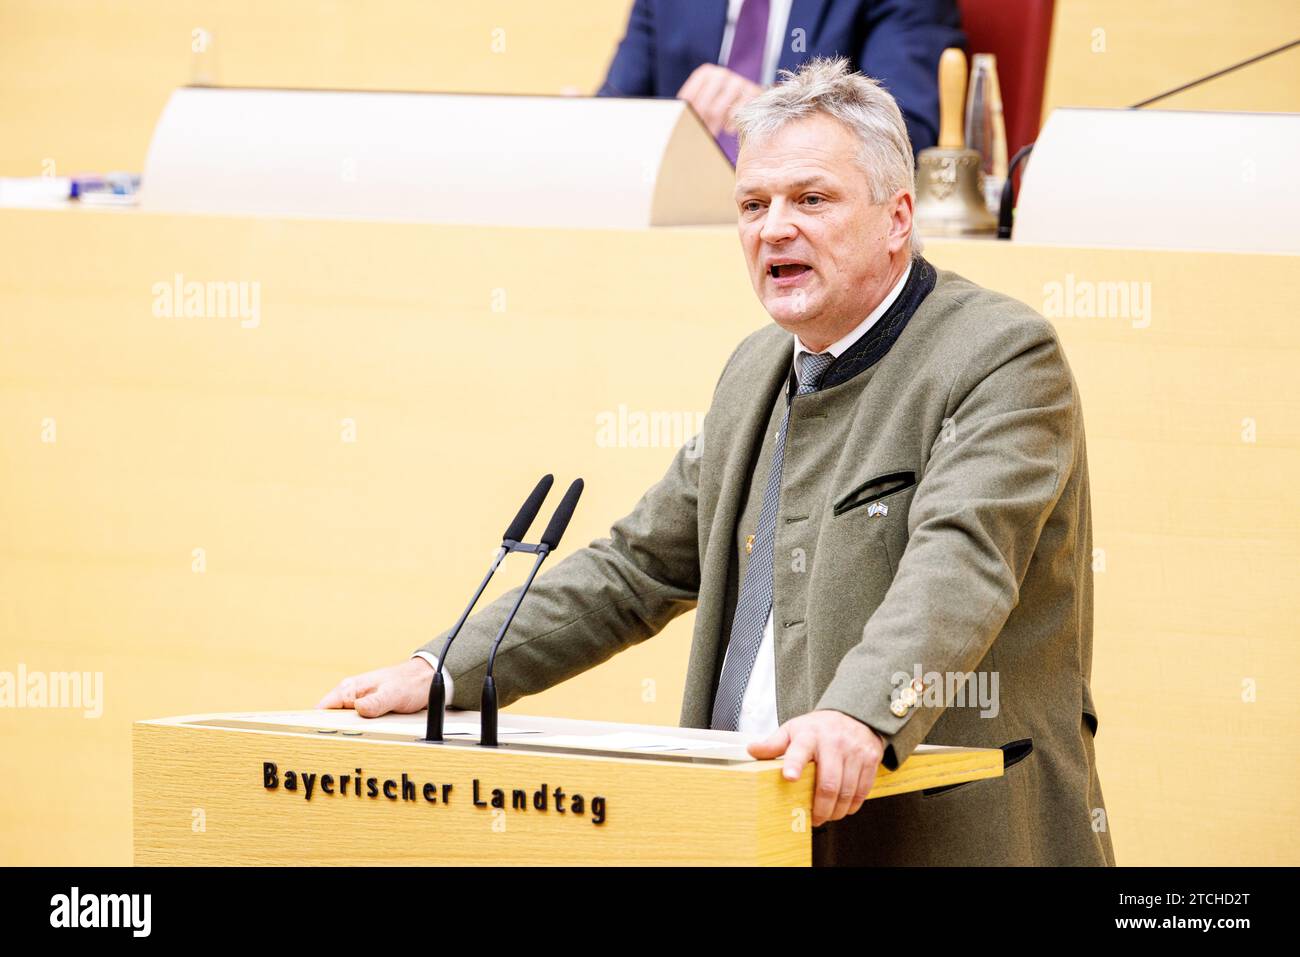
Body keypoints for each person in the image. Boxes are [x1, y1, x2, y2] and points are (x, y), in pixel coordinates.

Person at [320, 56, 1116, 866]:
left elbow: (960, 566)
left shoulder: (1001, 357)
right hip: (749, 828)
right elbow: (637, 568)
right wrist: (446, 668)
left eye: (811, 199)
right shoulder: (753, 370)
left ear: (898, 216)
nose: (774, 227)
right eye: (752, 203)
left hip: (947, 835)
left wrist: (860, 714)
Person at [596, 0, 966, 161]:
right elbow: (620, 114)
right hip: (682, 224)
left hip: (812, 230)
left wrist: (772, 114)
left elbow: (903, 133)